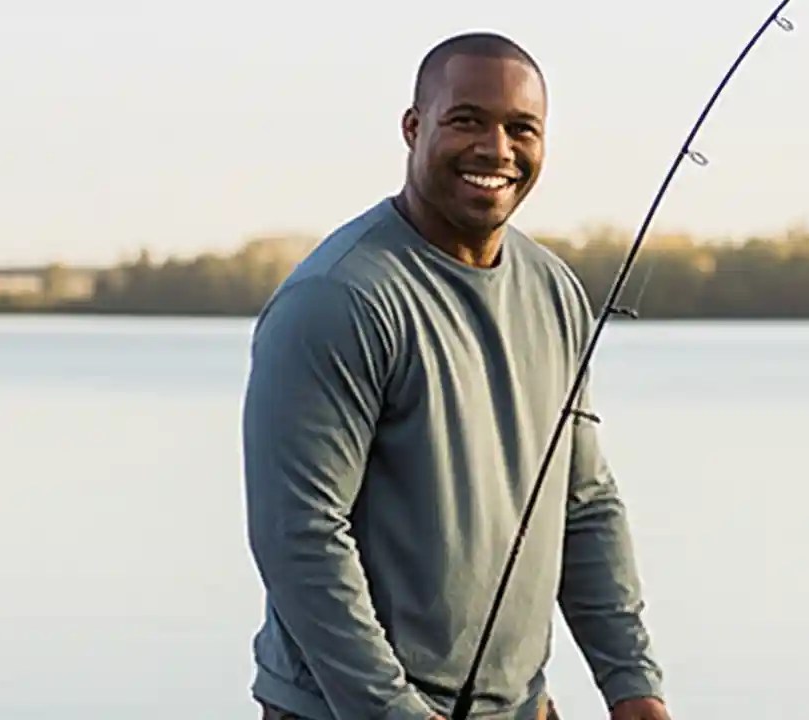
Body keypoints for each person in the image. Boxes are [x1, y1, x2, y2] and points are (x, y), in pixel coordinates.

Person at [241, 31, 669, 720]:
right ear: (413, 128)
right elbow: (299, 536)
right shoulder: (338, 297)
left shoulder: (555, 292)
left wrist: (632, 685)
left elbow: (583, 504)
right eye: (466, 119)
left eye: (520, 128)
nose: (496, 149)